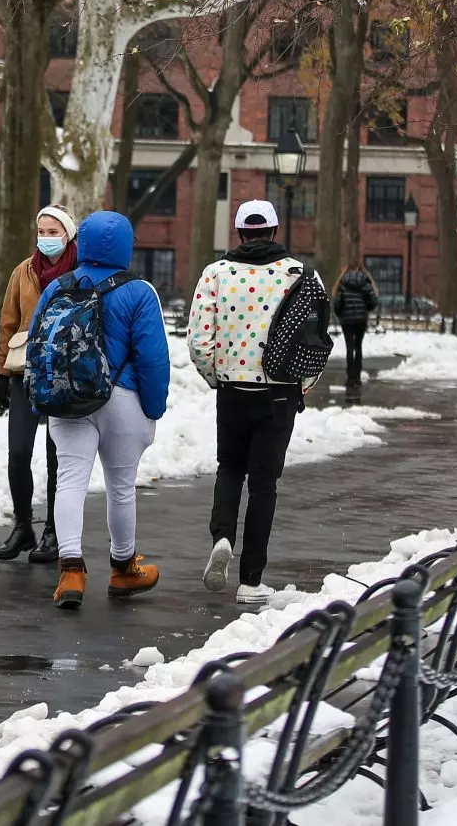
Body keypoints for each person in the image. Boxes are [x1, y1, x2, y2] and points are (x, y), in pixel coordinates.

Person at [32, 210, 172, 608]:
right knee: (122, 488)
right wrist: (154, 407)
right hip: (121, 398)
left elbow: (38, 346)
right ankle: (124, 568)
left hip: (68, 398)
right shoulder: (139, 291)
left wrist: (40, 400)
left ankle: (71, 571)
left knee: (70, 481)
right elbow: (152, 358)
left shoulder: (58, 286)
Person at [187, 199, 322, 607]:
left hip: (233, 390)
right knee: (265, 485)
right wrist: (303, 383)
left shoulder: (215, 274)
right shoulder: (301, 274)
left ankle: (222, 537)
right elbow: (315, 338)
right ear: (276, 231)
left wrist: (216, 376)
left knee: (230, 467)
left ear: (240, 232)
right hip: (279, 393)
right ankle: (251, 580)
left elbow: (198, 340)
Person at [0, 205, 77, 563]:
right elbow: (8, 322)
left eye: (53, 231)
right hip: (24, 372)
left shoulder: (81, 273)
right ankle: (22, 525)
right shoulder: (23, 272)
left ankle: (54, 532)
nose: (46, 238)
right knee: (19, 453)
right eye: (41, 231)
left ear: (68, 235)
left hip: (64, 374)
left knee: (57, 456)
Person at [332, 265, 379, 394]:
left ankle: (350, 377)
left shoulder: (342, 283)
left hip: (346, 321)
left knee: (349, 347)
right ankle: (357, 377)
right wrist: (365, 310)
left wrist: (340, 314)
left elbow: (337, 303)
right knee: (358, 347)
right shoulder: (365, 282)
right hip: (361, 320)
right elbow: (374, 300)